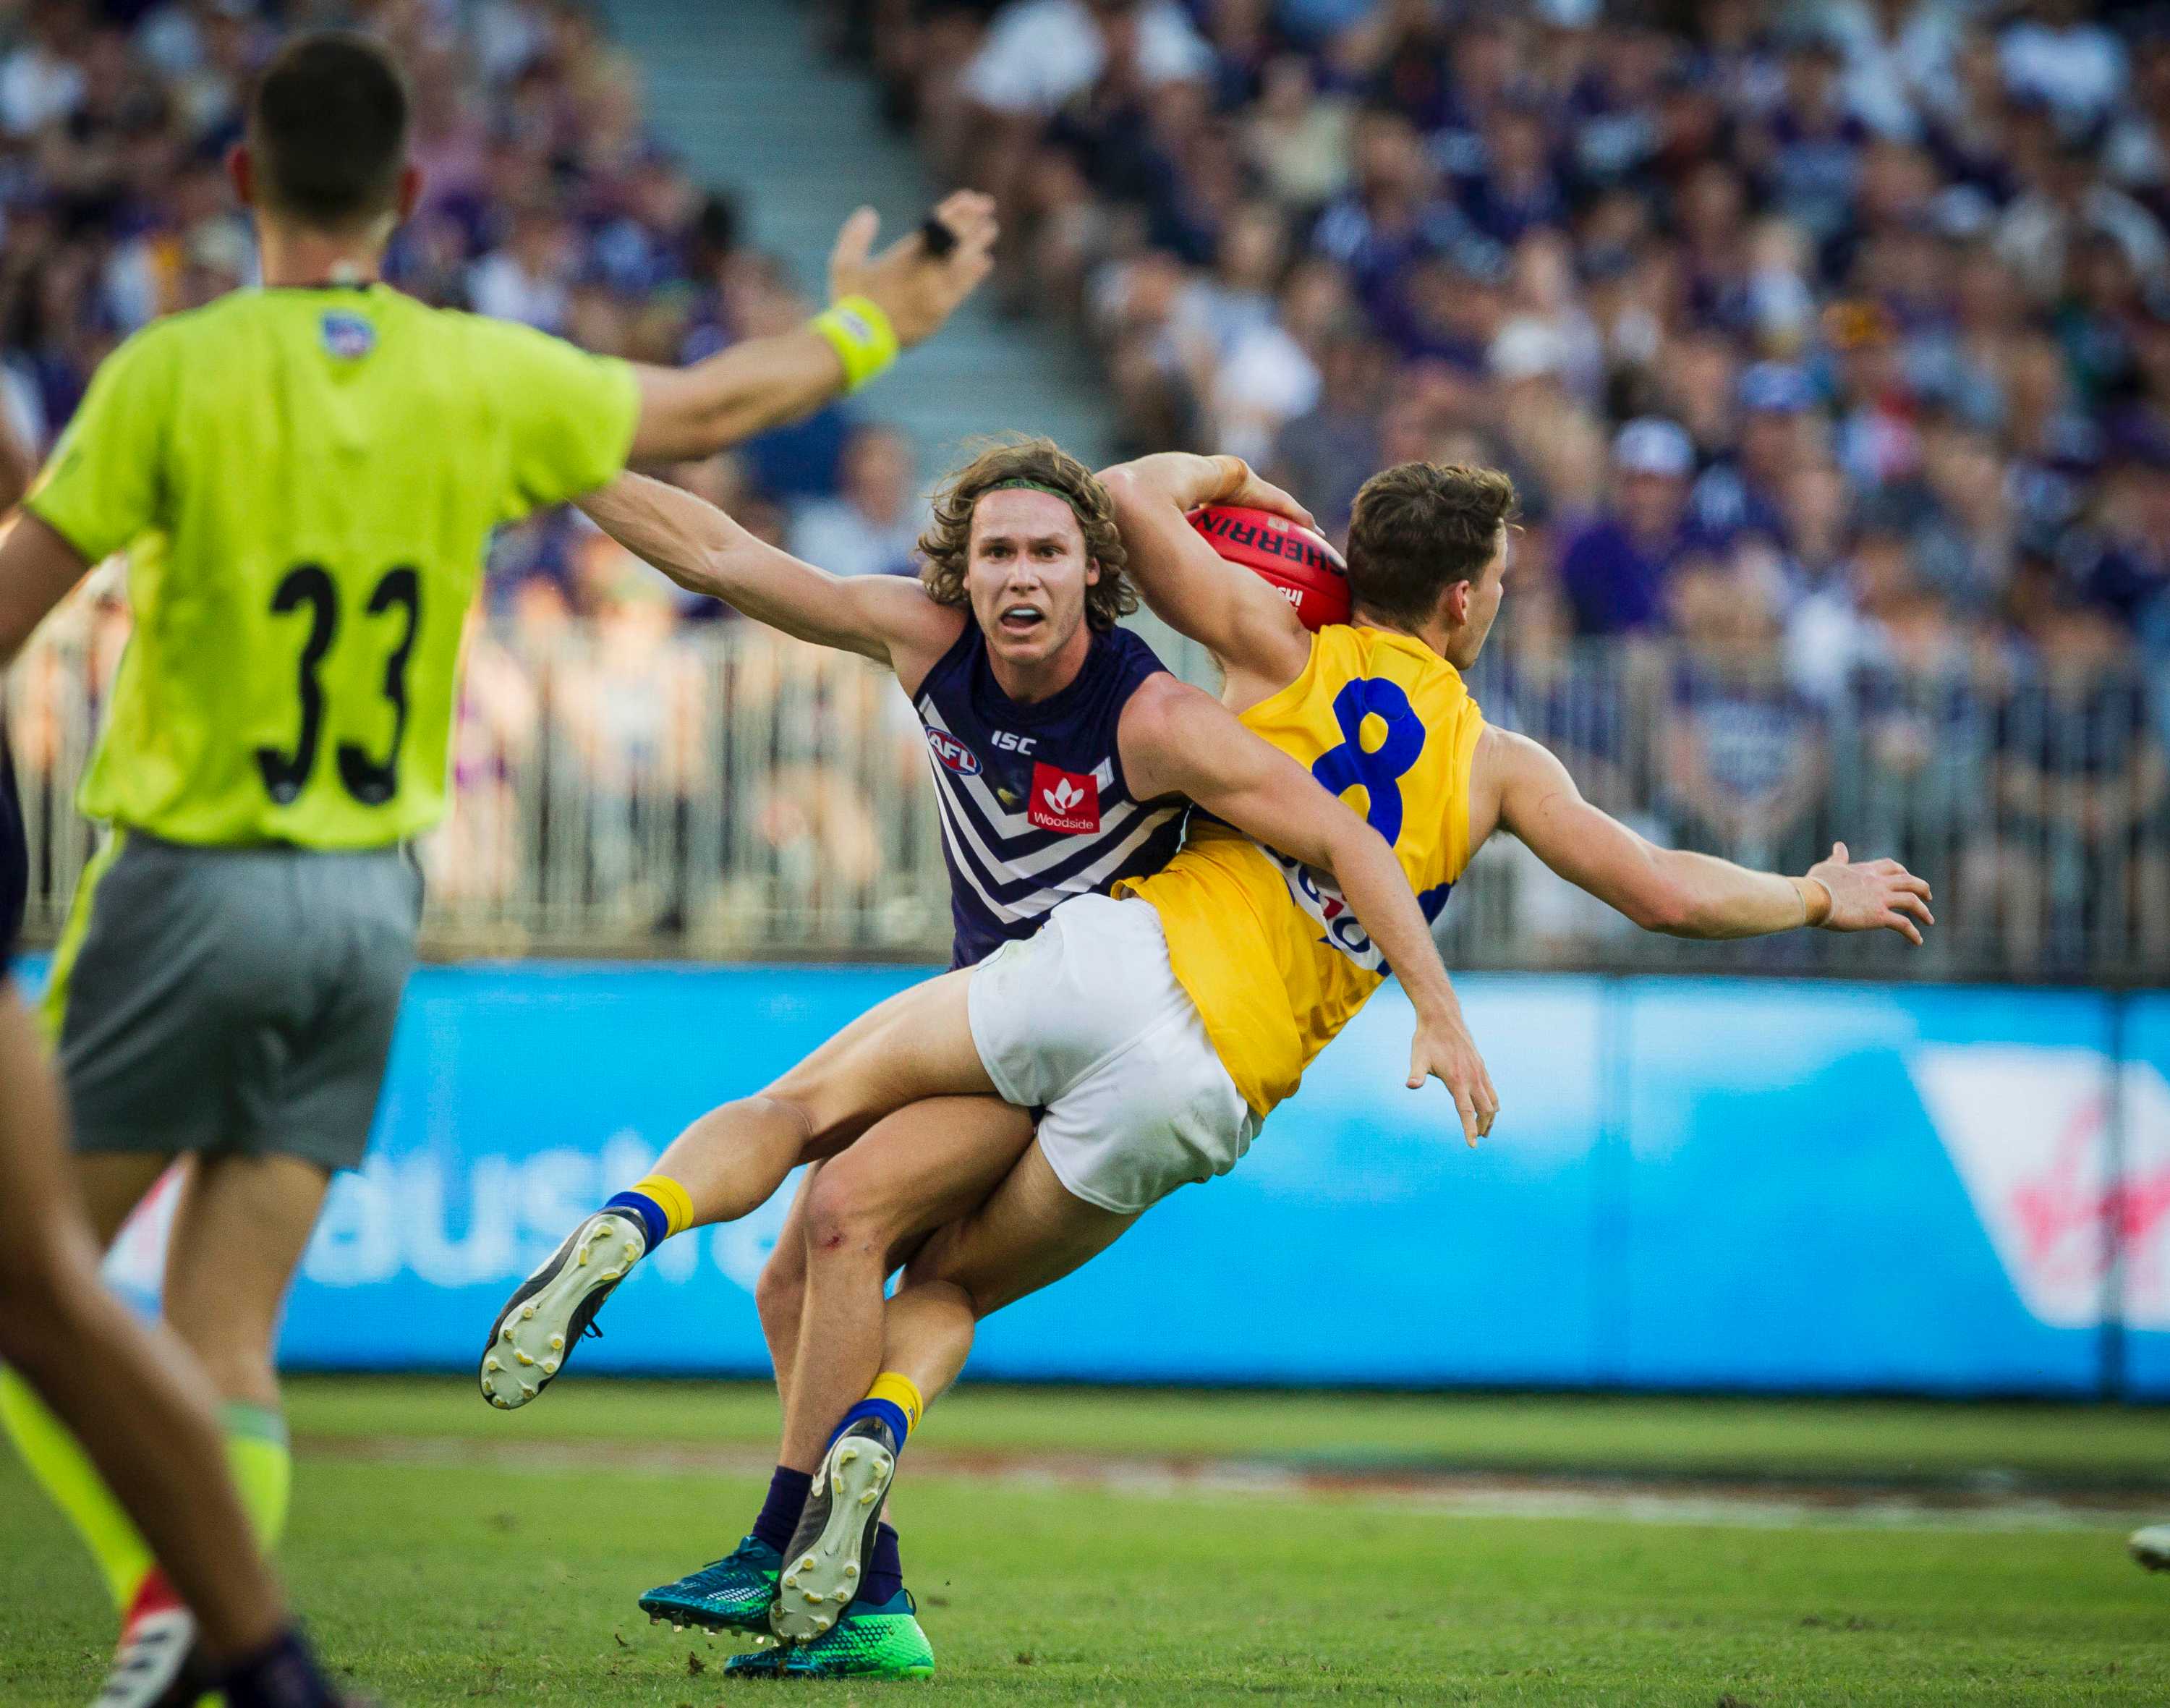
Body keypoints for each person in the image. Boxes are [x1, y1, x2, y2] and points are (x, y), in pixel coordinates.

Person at [513, 453, 1936, 1675]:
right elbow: (1667, 892)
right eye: (1499, 577)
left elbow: (1124, 496)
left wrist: (1240, 480)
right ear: (1465, 598)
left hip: (1119, 961)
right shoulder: (1503, 767)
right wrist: (1813, 895)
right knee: (938, 1282)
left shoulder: (1279, 642)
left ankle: (645, 1231)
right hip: (1211, 1091)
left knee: (807, 1123)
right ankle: (878, 1444)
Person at [0, 27, 996, 1696]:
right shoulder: (476, 370)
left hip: (191, 872)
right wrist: (878, 318)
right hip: (365, 906)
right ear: (405, 192)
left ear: (242, 181)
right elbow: (724, 403)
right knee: (224, 1328)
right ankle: (204, 1632)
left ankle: (187, 1605)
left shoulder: (171, 374)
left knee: (31, 1281)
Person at [480, 449, 1499, 1679]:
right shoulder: (1019, 665)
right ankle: (863, 1580)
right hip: (1070, 1030)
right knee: (807, 1270)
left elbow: (728, 559)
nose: (1021, 576)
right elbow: (717, 554)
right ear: (961, 572)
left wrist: (568, 457)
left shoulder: (1124, 702)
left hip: (1045, 1023)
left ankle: (679, 1310)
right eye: (1000, 553)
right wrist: (574, 455)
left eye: (1047, 552)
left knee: (826, 1176)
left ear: (1095, 575)